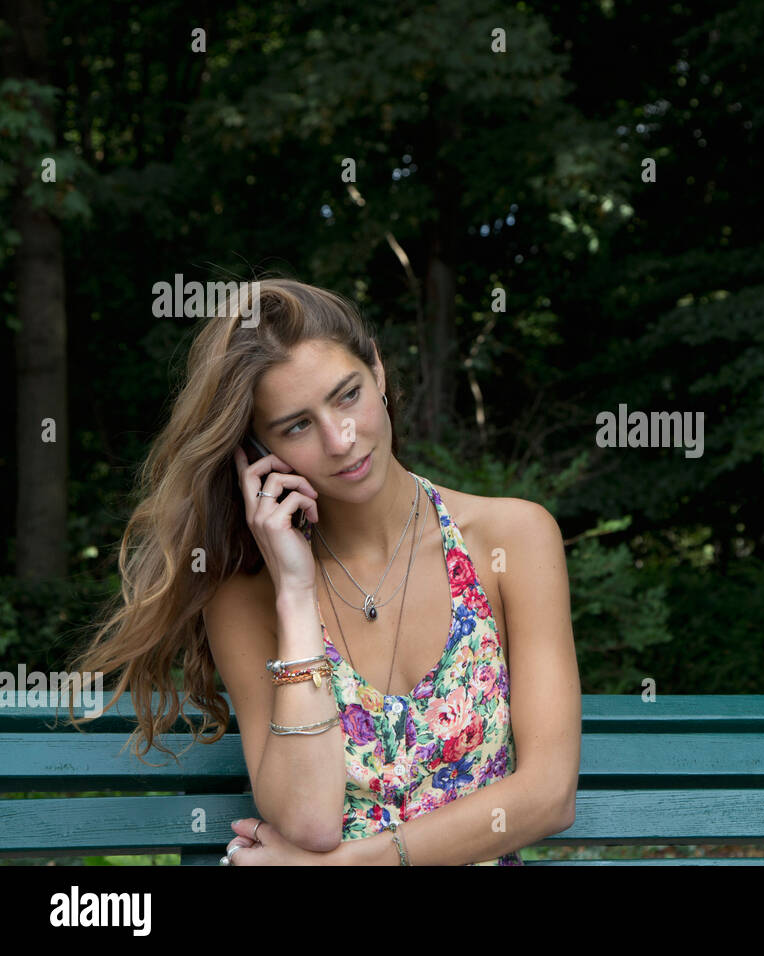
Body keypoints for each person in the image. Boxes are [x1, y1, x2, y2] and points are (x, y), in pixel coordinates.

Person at [67, 277, 581, 865]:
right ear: (258, 454)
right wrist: (294, 592)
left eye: (347, 395)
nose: (341, 439)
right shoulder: (245, 595)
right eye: (296, 425)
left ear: (379, 374)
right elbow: (307, 822)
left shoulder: (512, 538)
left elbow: (548, 795)